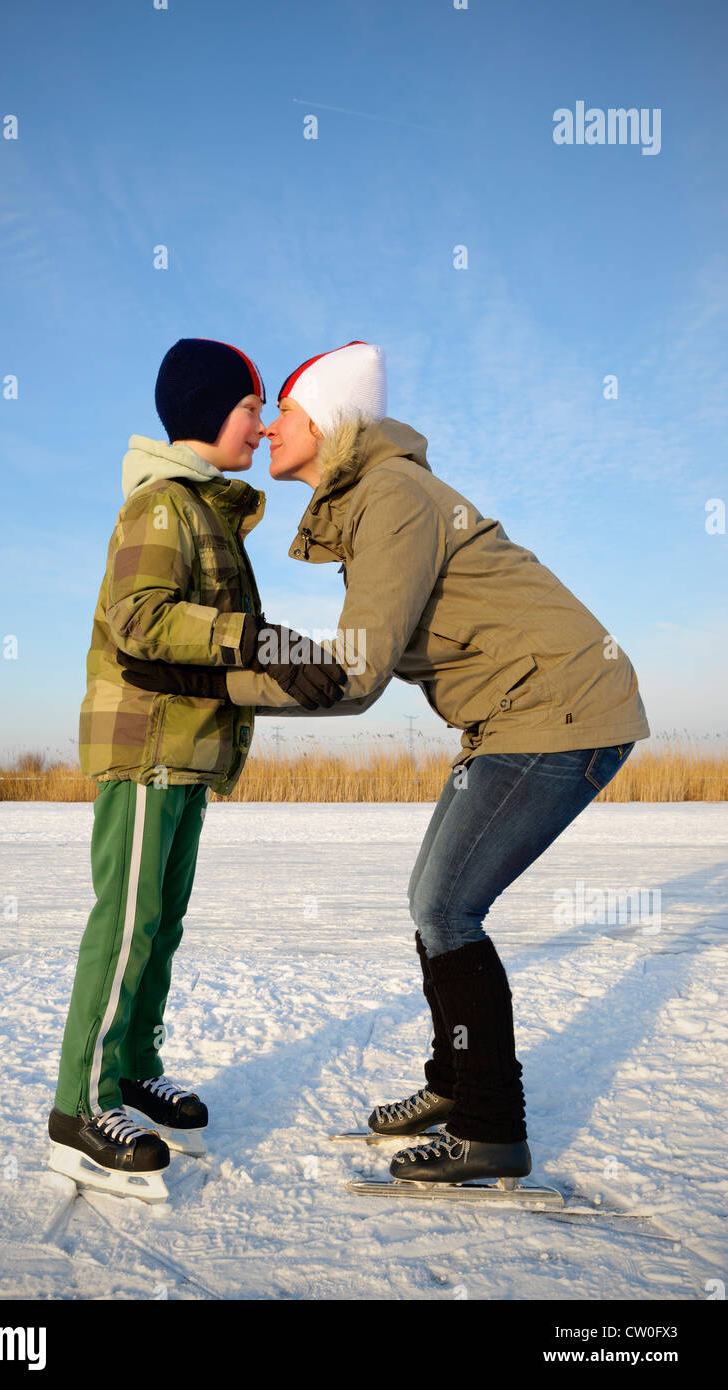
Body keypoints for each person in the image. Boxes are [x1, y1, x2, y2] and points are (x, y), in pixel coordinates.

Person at [121, 339, 650, 1189]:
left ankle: (489, 1127)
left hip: (557, 709)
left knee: (447, 906)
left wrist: (208, 683)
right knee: (434, 902)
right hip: (516, 714)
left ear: (327, 422)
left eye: (281, 410)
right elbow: (355, 660)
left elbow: (357, 674)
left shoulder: (389, 494)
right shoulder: (371, 498)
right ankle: (454, 1087)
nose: (266, 429)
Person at [48, 338, 345, 1201]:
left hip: (187, 751)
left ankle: (134, 1070)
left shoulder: (209, 511)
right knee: (127, 922)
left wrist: (287, 654)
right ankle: (78, 1110)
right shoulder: (162, 507)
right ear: (210, 411)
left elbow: (214, 640)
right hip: (145, 749)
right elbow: (140, 620)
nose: (260, 427)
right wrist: (254, 637)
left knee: (161, 924)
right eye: (252, 409)